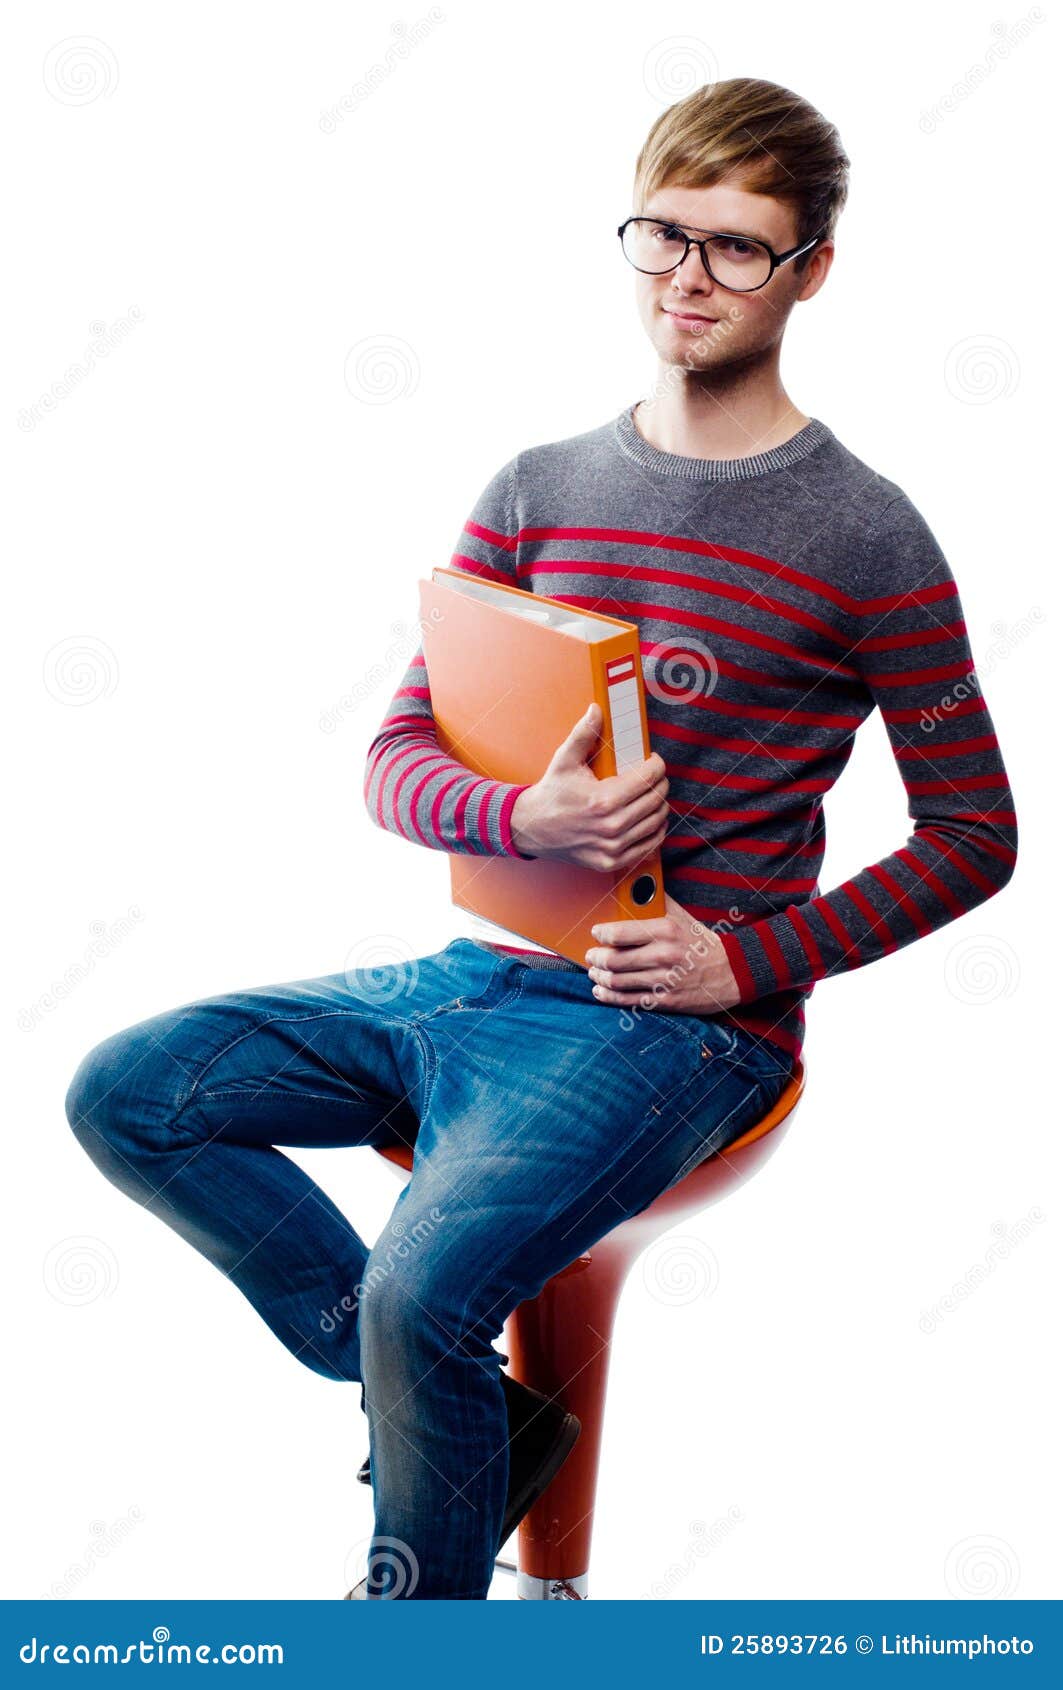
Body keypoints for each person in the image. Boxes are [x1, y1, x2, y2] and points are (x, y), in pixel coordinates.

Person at [65, 77, 1017, 1601]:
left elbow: (977, 830)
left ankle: (420, 1618)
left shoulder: (868, 532)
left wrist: (745, 961)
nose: (684, 280)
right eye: (660, 235)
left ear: (812, 270)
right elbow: (394, 756)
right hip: (476, 978)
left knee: (422, 1293)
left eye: (735, 248)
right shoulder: (539, 484)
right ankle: (483, 1433)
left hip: (675, 1029)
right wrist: (527, 815)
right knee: (129, 1090)